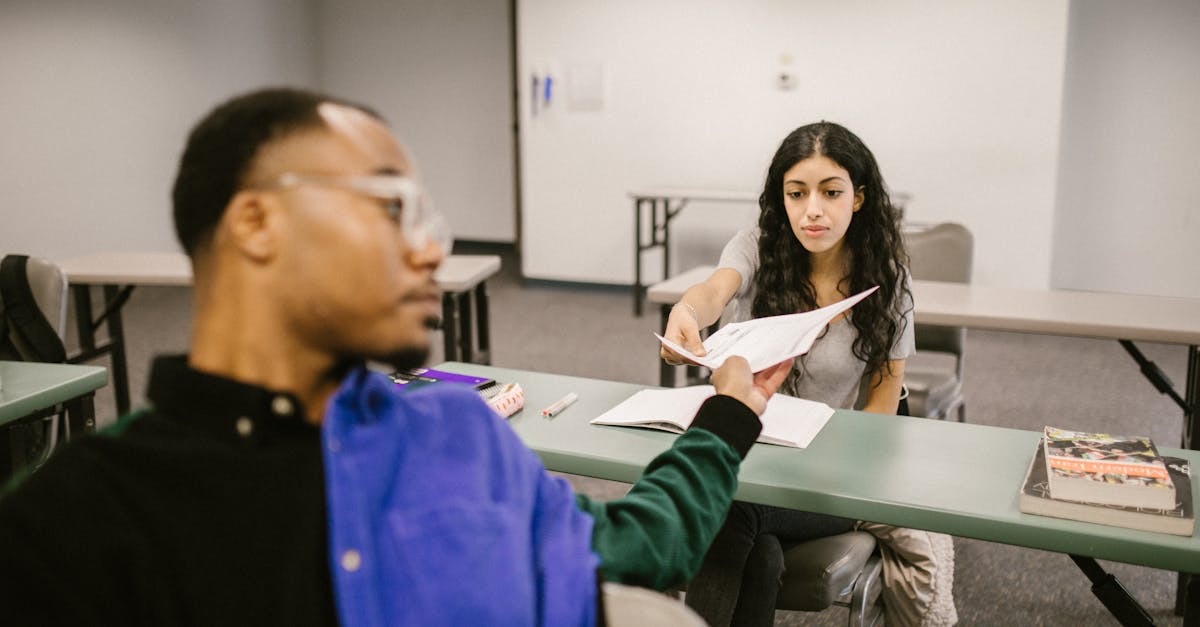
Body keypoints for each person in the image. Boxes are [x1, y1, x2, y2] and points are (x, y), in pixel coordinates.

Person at [0, 87, 794, 626]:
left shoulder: (459, 433)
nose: (430, 248)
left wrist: (728, 413)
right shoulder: (75, 522)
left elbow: (642, 547)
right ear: (256, 222)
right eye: (391, 207)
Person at [660, 121, 915, 626]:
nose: (812, 210)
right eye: (796, 194)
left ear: (859, 199)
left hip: (834, 475)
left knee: (730, 504)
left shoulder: (889, 280)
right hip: (754, 457)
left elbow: (882, 416)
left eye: (831, 192)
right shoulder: (759, 244)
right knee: (762, 555)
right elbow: (715, 290)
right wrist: (687, 314)